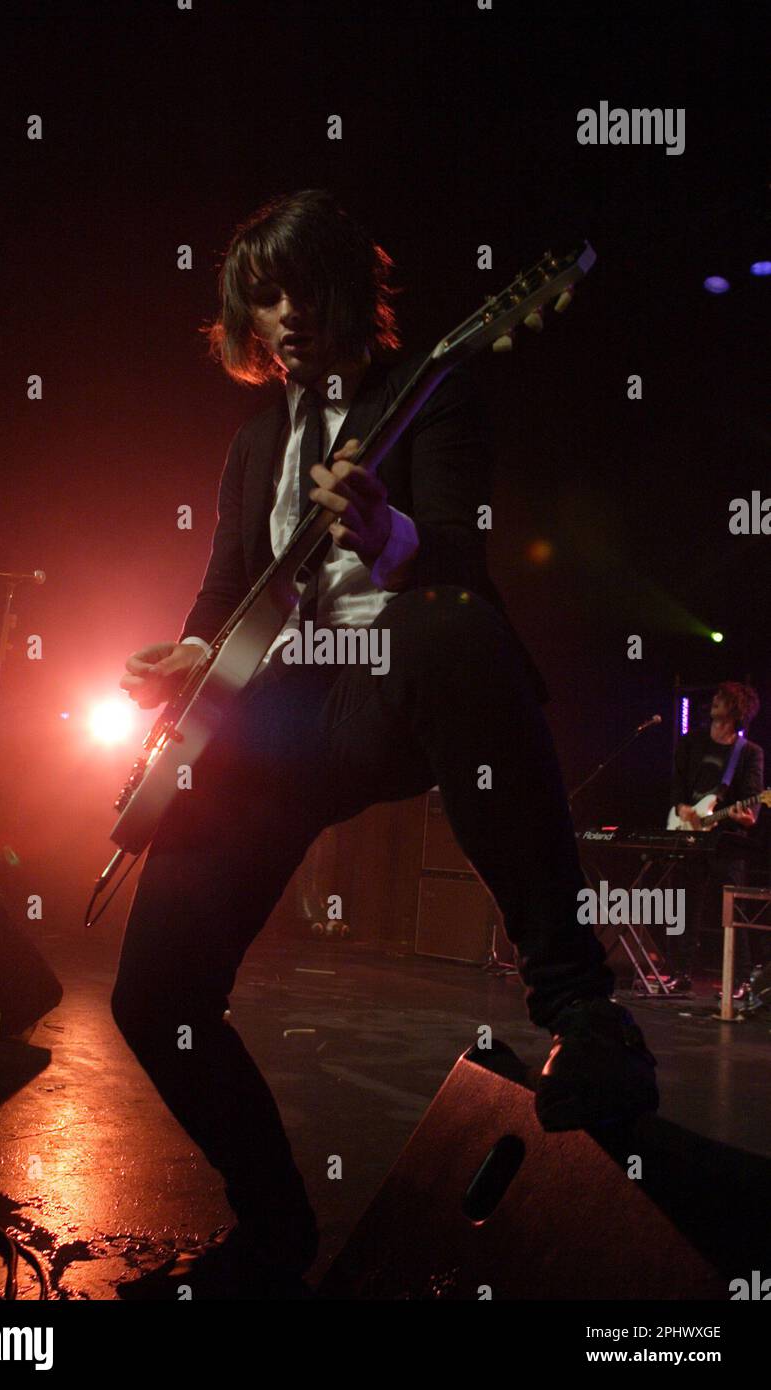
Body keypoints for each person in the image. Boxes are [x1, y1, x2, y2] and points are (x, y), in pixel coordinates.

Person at [111, 189, 658, 1299]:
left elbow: (459, 557)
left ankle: (580, 1009)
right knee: (153, 998)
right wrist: (186, 657)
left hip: (388, 687)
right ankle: (272, 1231)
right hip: (270, 714)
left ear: (350, 295)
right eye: (261, 296)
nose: (285, 314)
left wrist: (386, 532)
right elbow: (224, 599)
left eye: (305, 288)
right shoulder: (254, 441)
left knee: (452, 625)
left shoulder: (431, 394)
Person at [667, 682, 764, 994]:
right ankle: (679, 973)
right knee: (685, 905)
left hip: (725, 840)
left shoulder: (748, 753)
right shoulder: (691, 742)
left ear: (735, 710)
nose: (714, 702)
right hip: (688, 834)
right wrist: (682, 808)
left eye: (721, 700)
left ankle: (740, 980)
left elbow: (752, 804)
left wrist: (744, 815)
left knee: (731, 910)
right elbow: (676, 785)